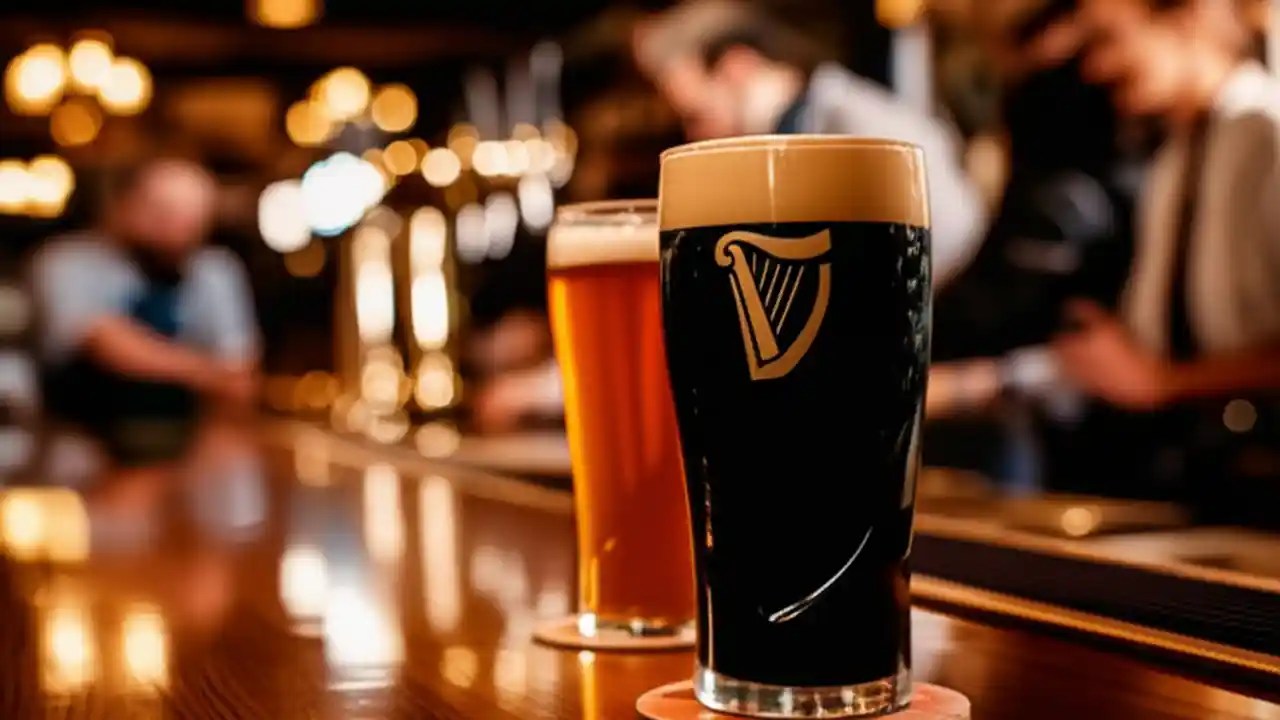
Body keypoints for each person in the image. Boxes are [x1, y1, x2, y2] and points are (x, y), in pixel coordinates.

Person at [634, 0, 985, 285]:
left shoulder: (854, 124)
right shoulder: (812, 121)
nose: (694, 136)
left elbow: (954, 231)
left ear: (736, 68)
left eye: (694, 116)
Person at [33, 158, 259, 455]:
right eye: (164, 211)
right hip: (76, 441)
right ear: (123, 203)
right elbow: (107, 345)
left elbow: (240, 377)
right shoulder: (66, 262)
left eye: (193, 217)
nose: (178, 228)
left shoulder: (216, 270)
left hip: (190, 443)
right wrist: (208, 373)